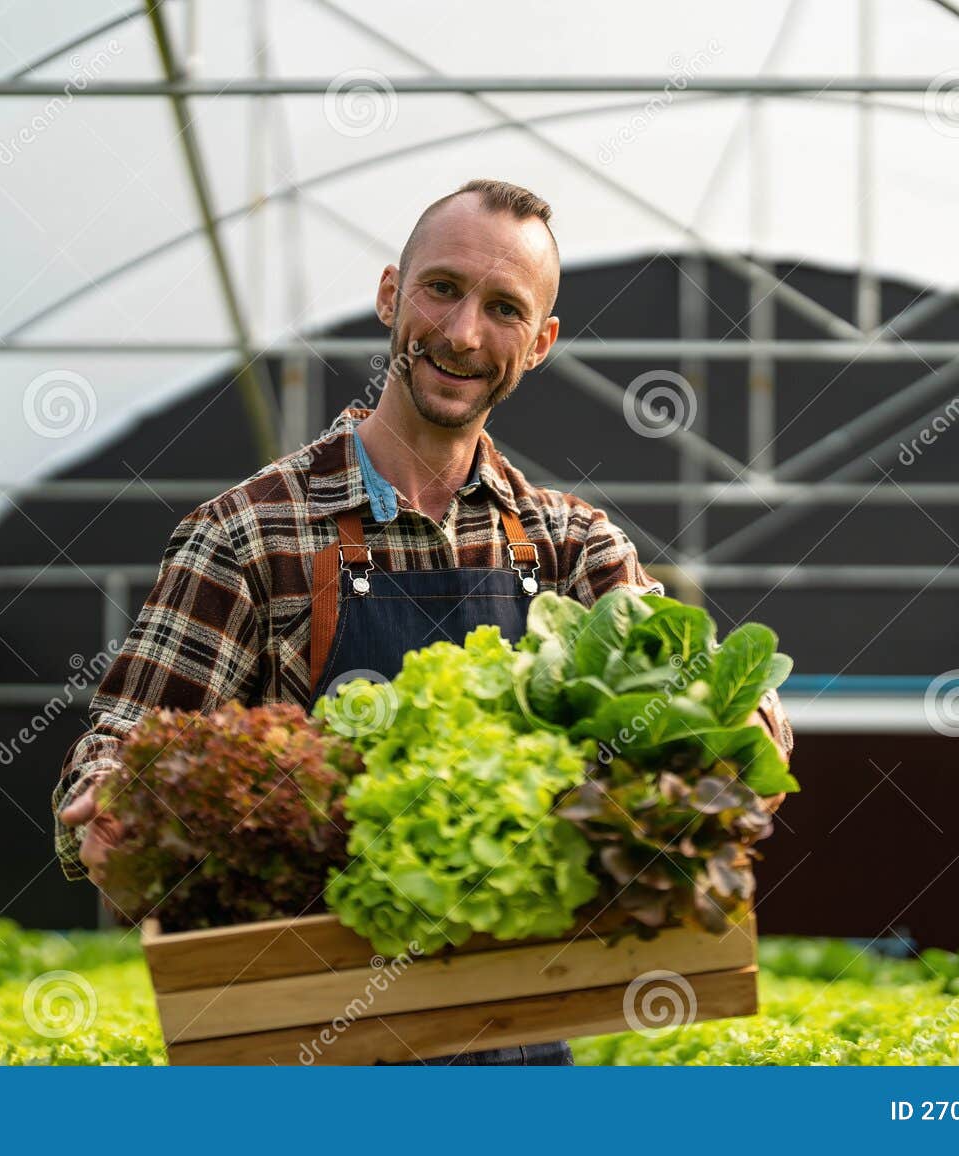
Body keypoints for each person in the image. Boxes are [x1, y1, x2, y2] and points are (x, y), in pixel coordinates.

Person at [54, 178, 794, 1065]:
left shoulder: (571, 544)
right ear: (389, 295)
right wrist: (109, 806)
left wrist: (740, 724)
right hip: (309, 1044)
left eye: (504, 308)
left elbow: (701, 689)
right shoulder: (250, 534)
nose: (463, 333)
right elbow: (121, 742)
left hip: (520, 1040)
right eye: (441, 288)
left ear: (542, 343)